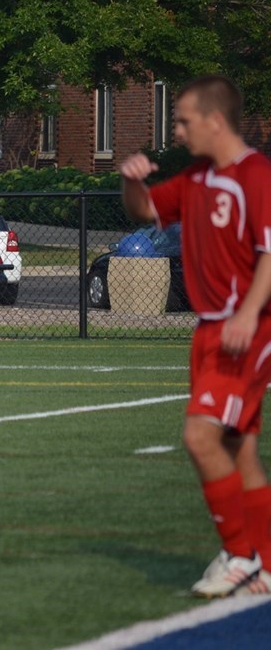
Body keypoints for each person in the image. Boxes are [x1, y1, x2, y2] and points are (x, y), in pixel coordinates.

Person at [121, 74, 271, 597]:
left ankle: (240, 554)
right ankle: (265, 561)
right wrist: (132, 181)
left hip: (245, 330)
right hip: (211, 331)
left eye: (184, 121)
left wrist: (248, 313)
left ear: (215, 120)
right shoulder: (197, 179)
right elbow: (144, 210)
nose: (178, 131)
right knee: (238, 449)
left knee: (199, 437)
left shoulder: (256, 175)